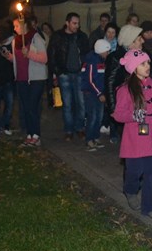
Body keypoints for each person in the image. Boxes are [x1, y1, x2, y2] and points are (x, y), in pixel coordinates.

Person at [113, 49, 152, 219]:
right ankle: (130, 190)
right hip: (134, 138)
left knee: (151, 174)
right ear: (134, 68)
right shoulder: (125, 89)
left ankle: (148, 207)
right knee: (134, 171)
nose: (147, 66)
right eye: (143, 64)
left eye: (148, 62)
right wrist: (133, 115)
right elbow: (118, 114)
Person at [48, 13, 89, 141]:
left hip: (79, 73)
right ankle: (69, 130)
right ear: (67, 23)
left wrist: (85, 69)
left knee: (81, 103)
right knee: (67, 104)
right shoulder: (58, 36)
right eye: (74, 23)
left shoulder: (82, 37)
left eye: (78, 23)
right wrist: (57, 72)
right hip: (64, 73)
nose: (77, 26)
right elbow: (52, 54)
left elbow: (86, 54)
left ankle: (80, 128)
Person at [11, 17, 48, 148]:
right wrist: (9, 57)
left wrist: (30, 54)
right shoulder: (15, 41)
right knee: (26, 108)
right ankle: (29, 134)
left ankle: (36, 136)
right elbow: (18, 59)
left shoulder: (35, 38)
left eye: (16, 25)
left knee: (33, 107)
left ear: (24, 25)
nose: (14, 28)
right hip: (21, 78)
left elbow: (44, 58)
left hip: (35, 79)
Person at [104, 24, 143, 145]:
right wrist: (113, 107)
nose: (143, 40)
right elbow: (110, 82)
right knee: (130, 137)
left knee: (141, 135)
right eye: (139, 39)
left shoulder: (143, 55)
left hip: (140, 101)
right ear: (130, 42)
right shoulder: (116, 58)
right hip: (125, 103)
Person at [80, 39, 112, 151]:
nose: (107, 54)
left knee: (99, 116)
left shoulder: (100, 60)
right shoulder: (92, 60)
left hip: (98, 93)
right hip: (91, 93)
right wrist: (99, 93)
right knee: (92, 117)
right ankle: (89, 139)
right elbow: (90, 80)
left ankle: (95, 137)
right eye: (106, 51)